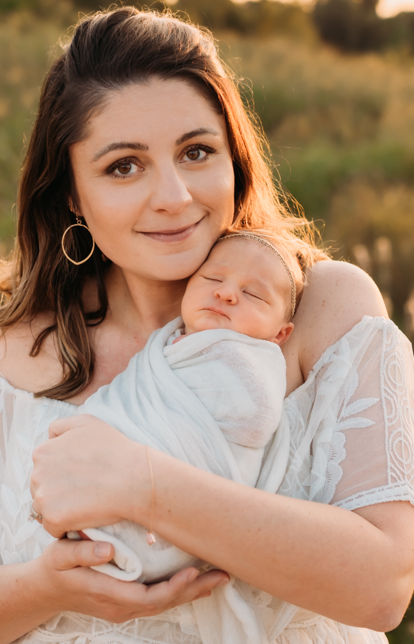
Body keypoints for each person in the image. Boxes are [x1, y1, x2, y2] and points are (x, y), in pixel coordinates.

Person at [0, 7, 414, 644]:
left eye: (196, 152)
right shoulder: (16, 355)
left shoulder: (326, 312)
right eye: (124, 166)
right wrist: (49, 587)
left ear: (236, 162)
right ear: (73, 196)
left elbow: (382, 584)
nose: (176, 196)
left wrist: (145, 486)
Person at [76, 229, 305, 585]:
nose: (226, 293)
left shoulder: (252, 365)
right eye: (212, 278)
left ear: (280, 335)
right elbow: (134, 398)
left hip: (186, 499)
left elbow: (253, 418)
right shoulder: (167, 344)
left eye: (253, 295)